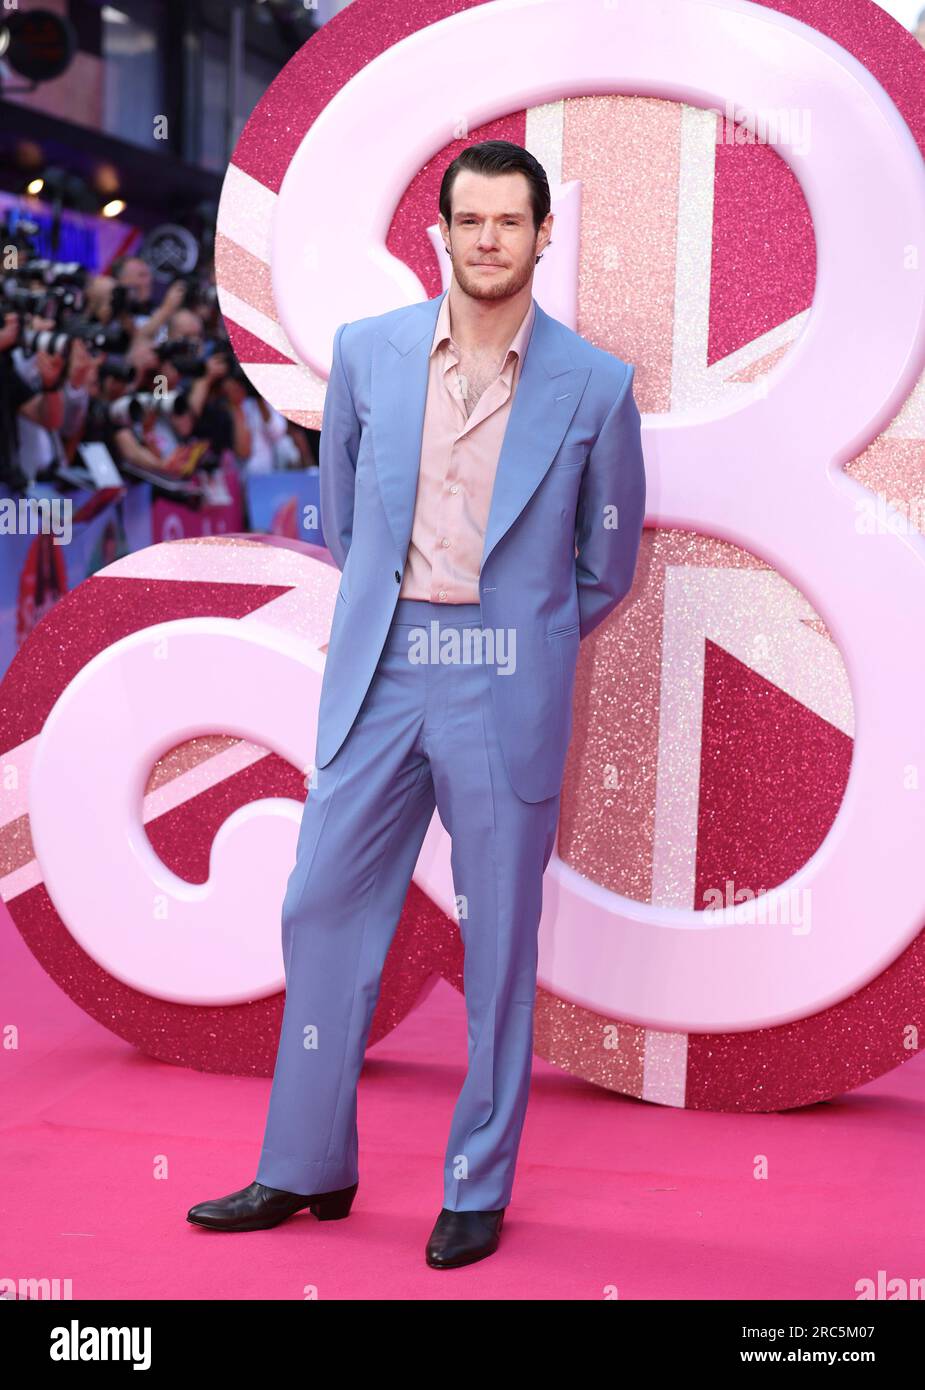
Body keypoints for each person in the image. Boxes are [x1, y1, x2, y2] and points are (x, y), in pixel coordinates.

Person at [187, 139, 646, 1269]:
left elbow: (609, 562)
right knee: (320, 908)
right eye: (470, 221)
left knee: (496, 942)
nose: (489, 240)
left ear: (544, 237)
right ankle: (304, 1165)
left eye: (510, 222)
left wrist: (525, 642)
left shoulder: (596, 385)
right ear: (437, 234)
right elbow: (347, 519)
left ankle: (477, 1182)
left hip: (503, 677)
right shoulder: (366, 355)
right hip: (381, 666)